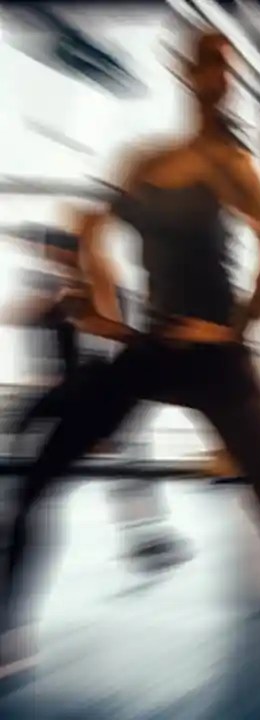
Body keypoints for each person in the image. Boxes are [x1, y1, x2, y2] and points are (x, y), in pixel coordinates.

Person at [0, 32, 260, 699]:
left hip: (219, 359)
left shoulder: (232, 164)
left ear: (229, 82)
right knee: (36, 481)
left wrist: (238, 325)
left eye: (224, 69)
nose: (214, 78)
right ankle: (8, 631)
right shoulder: (145, 160)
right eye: (206, 65)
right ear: (185, 73)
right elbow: (90, 229)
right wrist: (102, 307)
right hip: (152, 347)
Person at [2, 219, 191, 572]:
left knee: (116, 466)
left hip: (97, 397)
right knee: (21, 433)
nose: (53, 261)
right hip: (72, 390)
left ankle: (144, 532)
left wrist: (115, 427)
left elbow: (125, 357)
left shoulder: (108, 296)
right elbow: (27, 320)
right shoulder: (61, 293)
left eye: (57, 254)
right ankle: (16, 519)